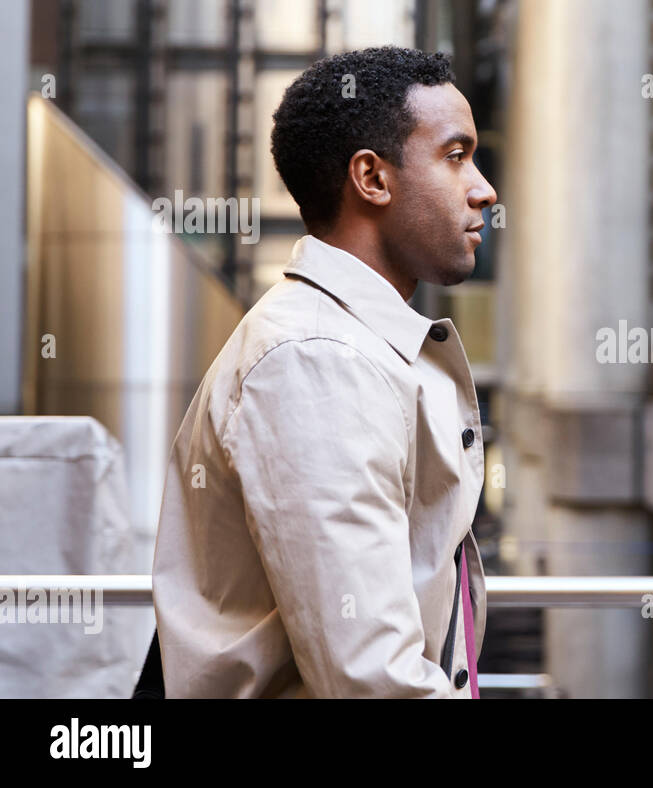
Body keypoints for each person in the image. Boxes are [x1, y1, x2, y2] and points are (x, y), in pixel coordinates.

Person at [145, 46, 496, 698]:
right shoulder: (317, 360)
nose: (483, 187)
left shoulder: (347, 346)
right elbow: (370, 679)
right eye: (455, 155)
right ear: (372, 178)